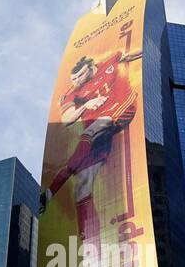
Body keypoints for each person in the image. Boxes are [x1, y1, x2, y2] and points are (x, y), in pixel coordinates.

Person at [39, 49, 142, 243]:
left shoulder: (109, 62)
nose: (76, 81)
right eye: (73, 78)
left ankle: (51, 191)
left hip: (121, 106)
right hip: (100, 134)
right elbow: (67, 119)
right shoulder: (73, 94)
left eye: (79, 75)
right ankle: (91, 244)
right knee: (82, 185)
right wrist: (87, 105)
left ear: (90, 67)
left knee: (91, 130)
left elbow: (131, 54)